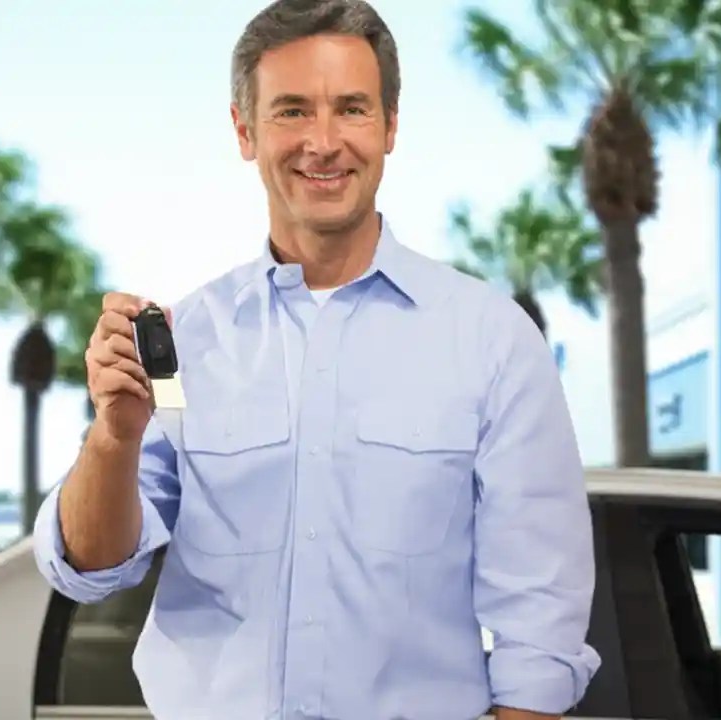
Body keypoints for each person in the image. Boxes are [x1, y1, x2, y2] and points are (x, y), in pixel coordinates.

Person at [30, 1, 601, 718]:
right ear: (245, 131)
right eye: (292, 111)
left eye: (352, 109)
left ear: (391, 126)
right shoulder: (186, 342)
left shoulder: (491, 340)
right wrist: (114, 436)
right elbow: (91, 567)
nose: (323, 143)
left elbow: (540, 619)